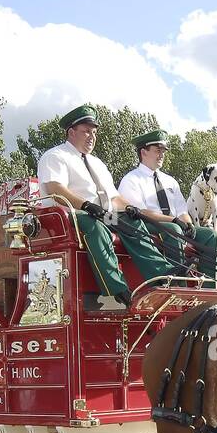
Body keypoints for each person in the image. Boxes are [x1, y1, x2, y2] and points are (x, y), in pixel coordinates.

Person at [37, 105, 177, 311]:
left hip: (104, 215)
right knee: (95, 225)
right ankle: (116, 288)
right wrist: (86, 205)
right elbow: (55, 188)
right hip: (72, 217)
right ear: (71, 132)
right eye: (86, 131)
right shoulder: (55, 156)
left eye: (94, 132)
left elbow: (114, 198)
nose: (91, 137)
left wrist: (131, 209)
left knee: (132, 222)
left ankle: (161, 275)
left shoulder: (98, 164)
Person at [117, 130, 217, 286]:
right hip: (147, 226)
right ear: (143, 152)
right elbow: (141, 213)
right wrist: (174, 221)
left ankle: (209, 289)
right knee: (174, 229)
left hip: (174, 224)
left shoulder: (170, 181)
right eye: (157, 151)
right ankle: (179, 288)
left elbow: (181, 210)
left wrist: (188, 224)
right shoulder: (131, 180)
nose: (162, 155)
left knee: (211, 236)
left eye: (163, 151)